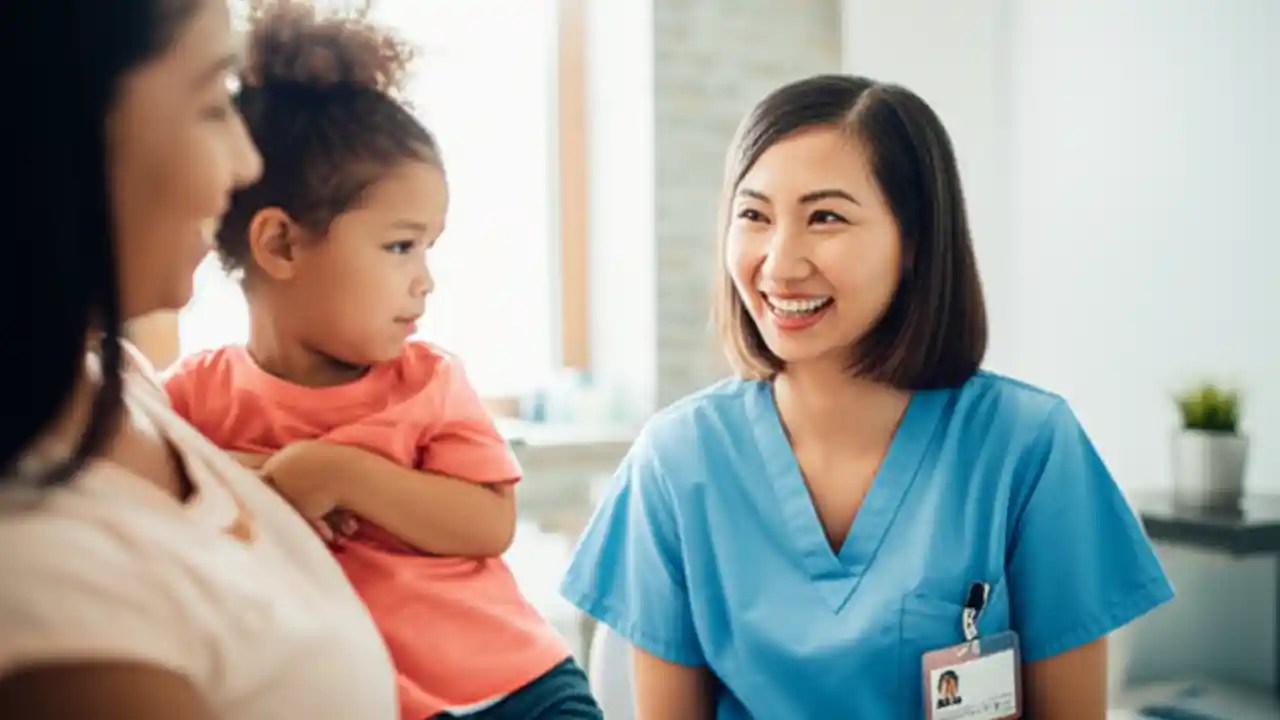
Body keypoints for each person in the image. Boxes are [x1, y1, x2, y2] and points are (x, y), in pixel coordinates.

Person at [561, 74, 1174, 719]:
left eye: (825, 217)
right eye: (754, 215)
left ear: (913, 242)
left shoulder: (1030, 447)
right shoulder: (678, 460)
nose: (780, 261)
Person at [162, 3, 601, 719]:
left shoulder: (428, 381)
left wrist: (339, 474)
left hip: (516, 691)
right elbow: (154, 478)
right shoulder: (190, 398)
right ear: (280, 246)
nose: (425, 278)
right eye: (401, 247)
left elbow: (487, 523)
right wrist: (263, 479)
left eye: (430, 248)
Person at [0, 1, 399, 718]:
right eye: (214, 104)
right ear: (54, 130)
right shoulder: (49, 592)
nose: (247, 163)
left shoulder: (124, 388)